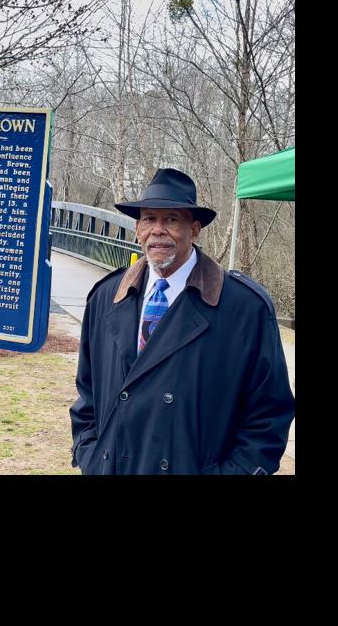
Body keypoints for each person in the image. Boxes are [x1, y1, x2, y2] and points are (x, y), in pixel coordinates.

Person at [69, 168, 294, 475]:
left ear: (194, 229)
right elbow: (87, 394)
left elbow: (269, 416)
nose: (158, 230)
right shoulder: (106, 297)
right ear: (137, 228)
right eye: (149, 219)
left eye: (172, 219)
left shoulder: (244, 308)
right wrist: (91, 457)